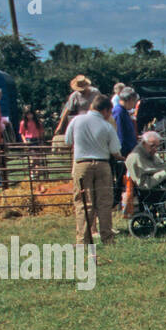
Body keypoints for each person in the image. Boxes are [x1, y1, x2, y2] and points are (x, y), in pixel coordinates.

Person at [63, 93, 122, 245]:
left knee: (84, 203)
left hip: (82, 164)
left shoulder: (77, 120)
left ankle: (83, 240)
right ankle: (107, 238)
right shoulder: (107, 126)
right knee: (104, 203)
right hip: (103, 165)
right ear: (106, 110)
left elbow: (68, 141)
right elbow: (115, 150)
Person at [112, 87, 139, 208]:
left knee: (125, 178)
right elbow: (120, 135)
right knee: (121, 178)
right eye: (134, 102)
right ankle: (116, 202)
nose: (134, 105)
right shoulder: (118, 112)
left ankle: (120, 202)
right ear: (130, 99)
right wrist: (123, 154)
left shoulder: (123, 112)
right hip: (124, 152)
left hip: (128, 151)